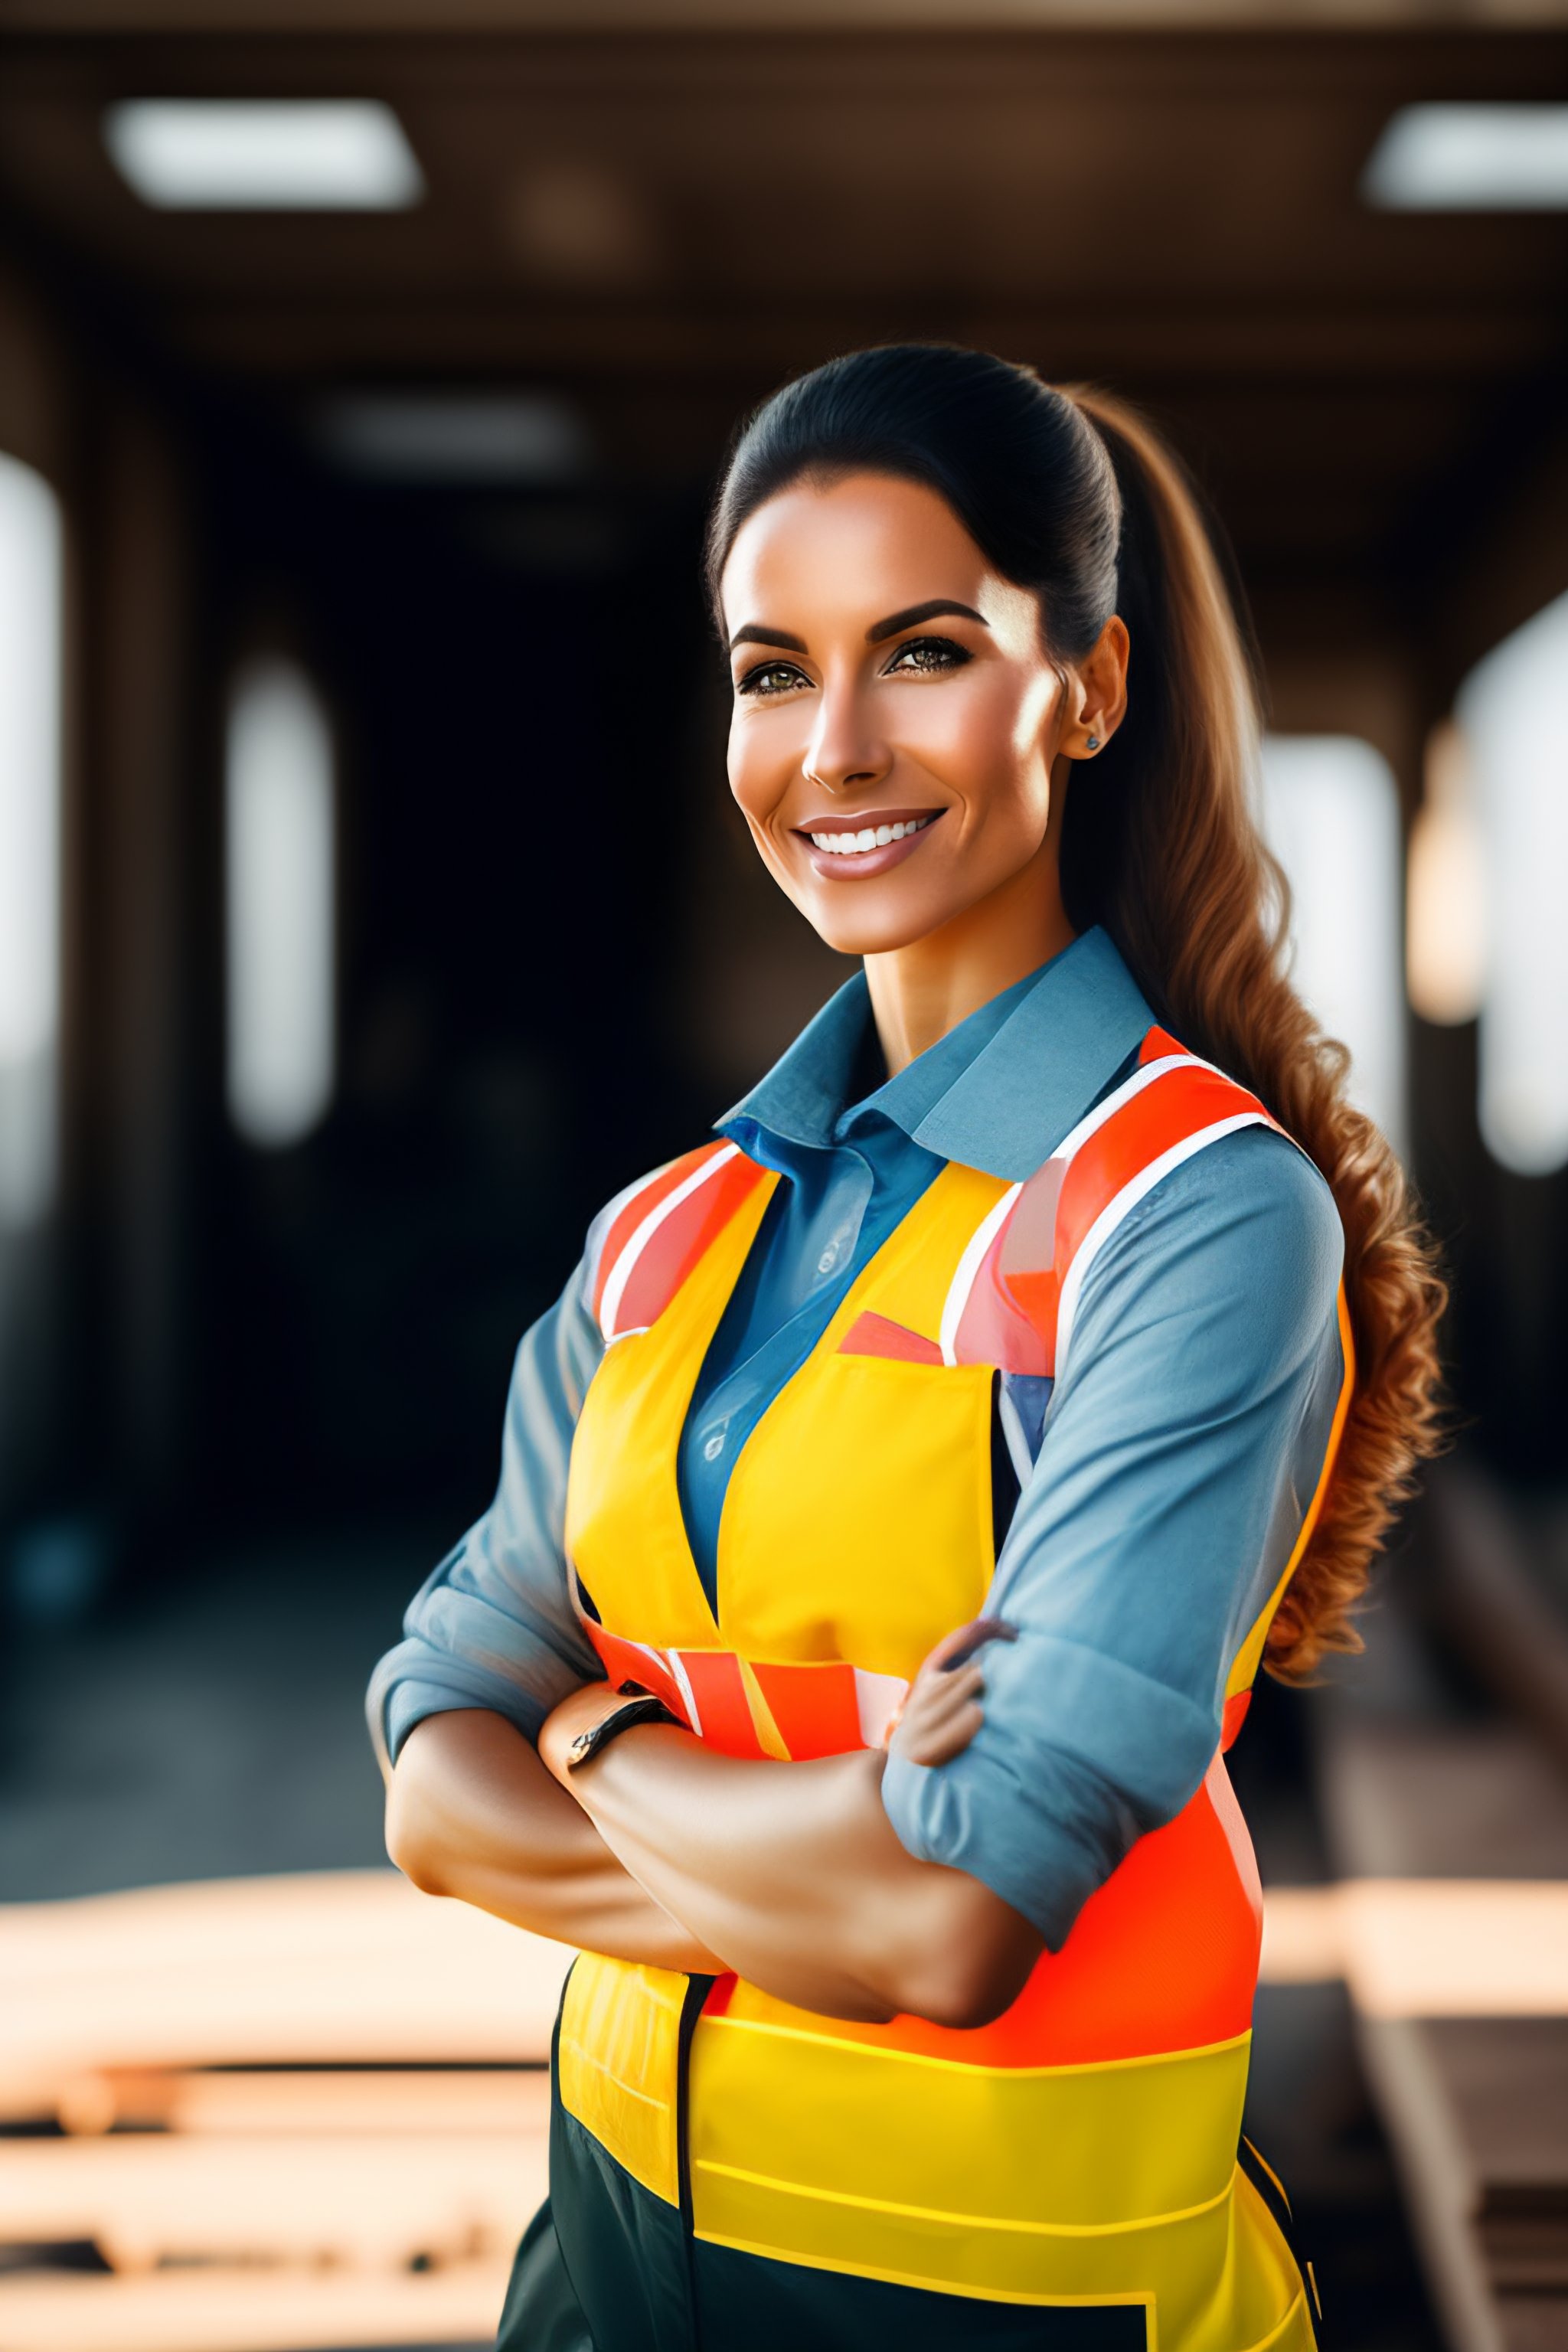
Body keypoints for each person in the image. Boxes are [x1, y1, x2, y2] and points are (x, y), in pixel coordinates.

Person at [368, 345, 1444, 2352]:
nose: (835, 746)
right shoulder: (664, 1234)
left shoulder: (1192, 1217)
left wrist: (584, 1743)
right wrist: (805, 1837)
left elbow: (952, 1923)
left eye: (923, 651)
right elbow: (428, 1776)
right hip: (609, 2287)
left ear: (1090, 688)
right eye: (775, 670)